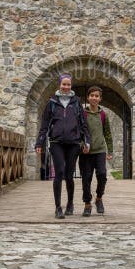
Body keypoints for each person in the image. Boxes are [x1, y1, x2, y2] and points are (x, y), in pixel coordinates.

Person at [35, 73, 90, 219]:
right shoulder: (51, 103)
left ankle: (70, 203)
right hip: (56, 142)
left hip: (73, 143)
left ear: (71, 86)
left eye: (68, 85)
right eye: (63, 84)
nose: (66, 87)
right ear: (59, 85)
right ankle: (58, 207)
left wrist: (87, 141)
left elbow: (84, 124)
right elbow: (44, 125)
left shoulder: (77, 103)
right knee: (59, 172)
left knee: (69, 175)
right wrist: (39, 142)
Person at [78, 85, 113, 216]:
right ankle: (87, 204)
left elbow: (107, 133)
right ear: (88, 97)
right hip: (85, 152)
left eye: (96, 96)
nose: (94, 98)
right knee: (86, 179)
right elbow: (79, 133)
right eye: (92, 95)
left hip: (100, 151)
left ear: (100, 98)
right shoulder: (82, 114)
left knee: (102, 175)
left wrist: (110, 151)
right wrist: (82, 145)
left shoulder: (103, 115)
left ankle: (99, 198)